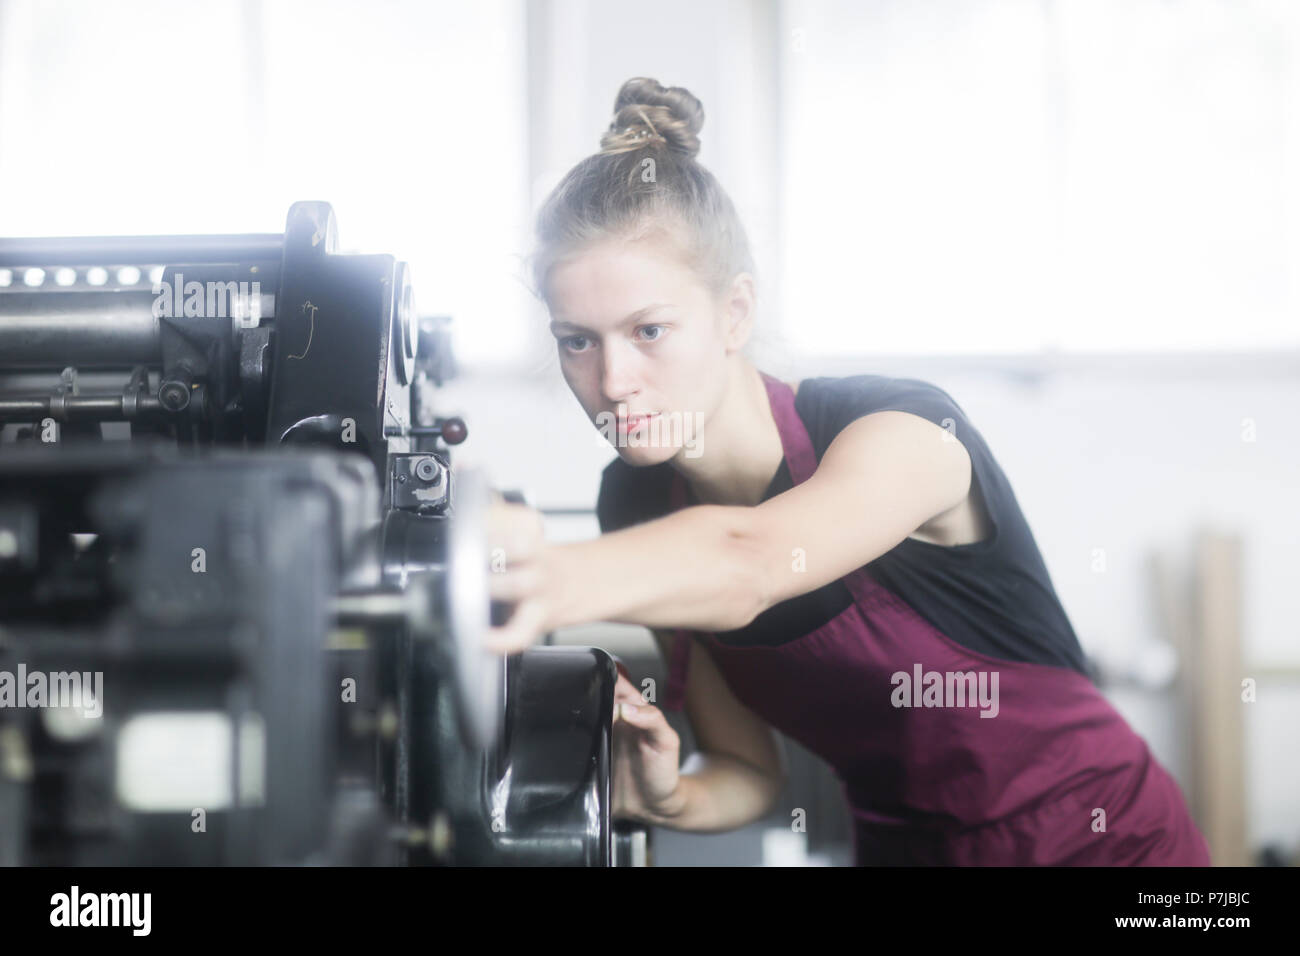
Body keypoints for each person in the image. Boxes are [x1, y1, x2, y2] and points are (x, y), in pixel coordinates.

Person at [483, 77, 1212, 866]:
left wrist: (533, 575)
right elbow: (745, 769)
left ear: (735, 313)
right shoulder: (635, 503)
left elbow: (753, 560)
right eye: (576, 341)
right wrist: (667, 794)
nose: (614, 380)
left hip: (1106, 842)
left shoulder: (899, 430)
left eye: (649, 329)